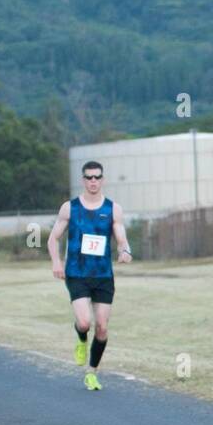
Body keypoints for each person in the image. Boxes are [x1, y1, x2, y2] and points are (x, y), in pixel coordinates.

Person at [47, 161, 132, 390]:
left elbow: (122, 237)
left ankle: (92, 372)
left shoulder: (113, 209)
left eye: (97, 177)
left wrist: (125, 251)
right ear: (83, 180)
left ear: (102, 179)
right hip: (76, 273)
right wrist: (57, 262)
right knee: (85, 322)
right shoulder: (70, 208)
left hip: (103, 275)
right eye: (89, 177)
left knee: (102, 327)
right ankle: (81, 339)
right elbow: (53, 238)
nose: (93, 181)